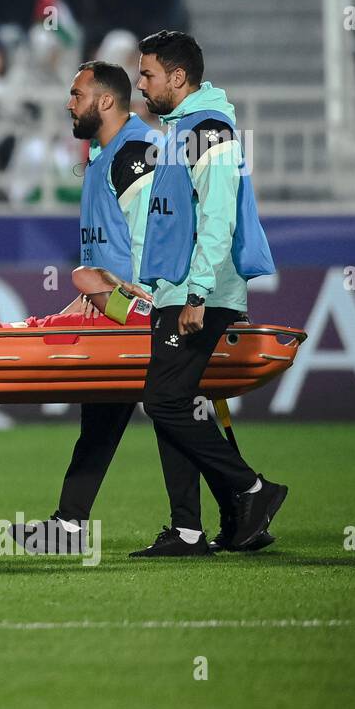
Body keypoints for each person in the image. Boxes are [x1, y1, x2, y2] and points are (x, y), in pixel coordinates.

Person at [6, 60, 266, 555]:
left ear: (104, 101)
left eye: (76, 94)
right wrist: (93, 290)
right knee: (114, 416)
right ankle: (90, 525)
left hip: (141, 312)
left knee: (167, 405)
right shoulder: (110, 153)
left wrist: (117, 299)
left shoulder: (133, 155)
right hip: (120, 311)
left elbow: (156, 245)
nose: (68, 103)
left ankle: (224, 508)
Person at [131, 30, 287, 557]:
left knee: (164, 402)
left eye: (148, 74)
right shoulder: (184, 131)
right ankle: (188, 529)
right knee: (176, 402)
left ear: (178, 77)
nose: (141, 83)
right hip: (176, 290)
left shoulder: (207, 132)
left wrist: (197, 292)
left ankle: (251, 489)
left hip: (199, 293)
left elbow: (217, 217)